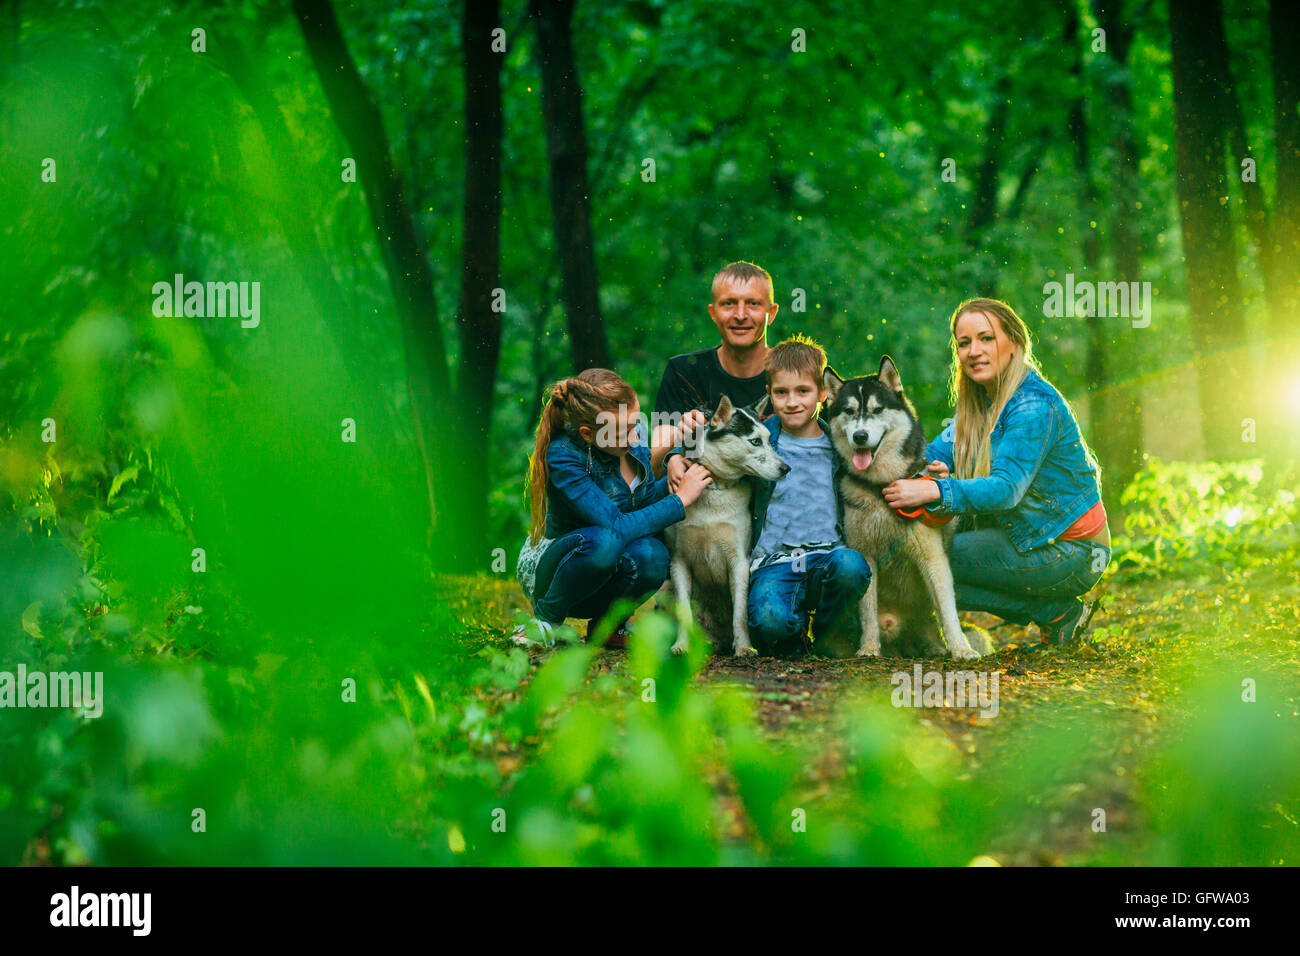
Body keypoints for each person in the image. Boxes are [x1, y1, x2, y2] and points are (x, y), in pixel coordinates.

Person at [881, 297, 1111, 645]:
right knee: (926, 562)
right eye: (964, 342)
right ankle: (1059, 613)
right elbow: (927, 455)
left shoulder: (1032, 405)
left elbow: (1006, 489)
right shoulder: (980, 406)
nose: (974, 351)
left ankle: (1057, 613)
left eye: (986, 338)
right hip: (1031, 539)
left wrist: (935, 491)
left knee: (930, 565)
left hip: (1073, 551)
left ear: (1014, 343)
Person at [512, 368, 713, 649]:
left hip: (601, 568)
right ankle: (545, 621)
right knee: (606, 540)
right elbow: (616, 525)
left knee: (653, 554)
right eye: (623, 432)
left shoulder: (630, 436)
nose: (635, 437)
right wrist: (679, 500)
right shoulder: (564, 454)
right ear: (588, 433)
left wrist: (672, 475)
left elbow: (638, 506)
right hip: (555, 569)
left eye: (635, 424)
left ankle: (608, 627)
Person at [744, 336, 872, 656]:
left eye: (803, 391)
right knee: (770, 622)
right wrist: (676, 455)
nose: (792, 402)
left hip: (828, 557)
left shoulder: (841, 443)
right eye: (781, 392)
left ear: (823, 393)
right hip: (775, 562)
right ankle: (792, 630)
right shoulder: (759, 439)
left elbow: (886, 460)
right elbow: (712, 441)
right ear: (769, 393)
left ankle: (829, 632)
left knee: (852, 565)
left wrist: (927, 471)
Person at [652, 261, 778, 477]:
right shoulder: (682, 372)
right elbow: (653, 466)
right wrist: (676, 444)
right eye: (729, 303)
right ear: (713, 312)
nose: (740, 314)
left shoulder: (797, 376)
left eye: (753, 304)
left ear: (771, 313)